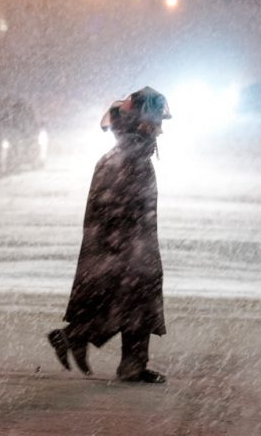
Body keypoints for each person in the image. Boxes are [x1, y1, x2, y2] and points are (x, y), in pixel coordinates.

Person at [48, 87, 171, 384]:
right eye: (157, 120)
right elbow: (115, 209)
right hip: (126, 245)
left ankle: (124, 361)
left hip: (128, 243)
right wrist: (127, 249)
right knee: (131, 300)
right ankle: (79, 340)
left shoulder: (129, 150)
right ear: (144, 121)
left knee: (132, 302)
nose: (161, 128)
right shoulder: (129, 155)